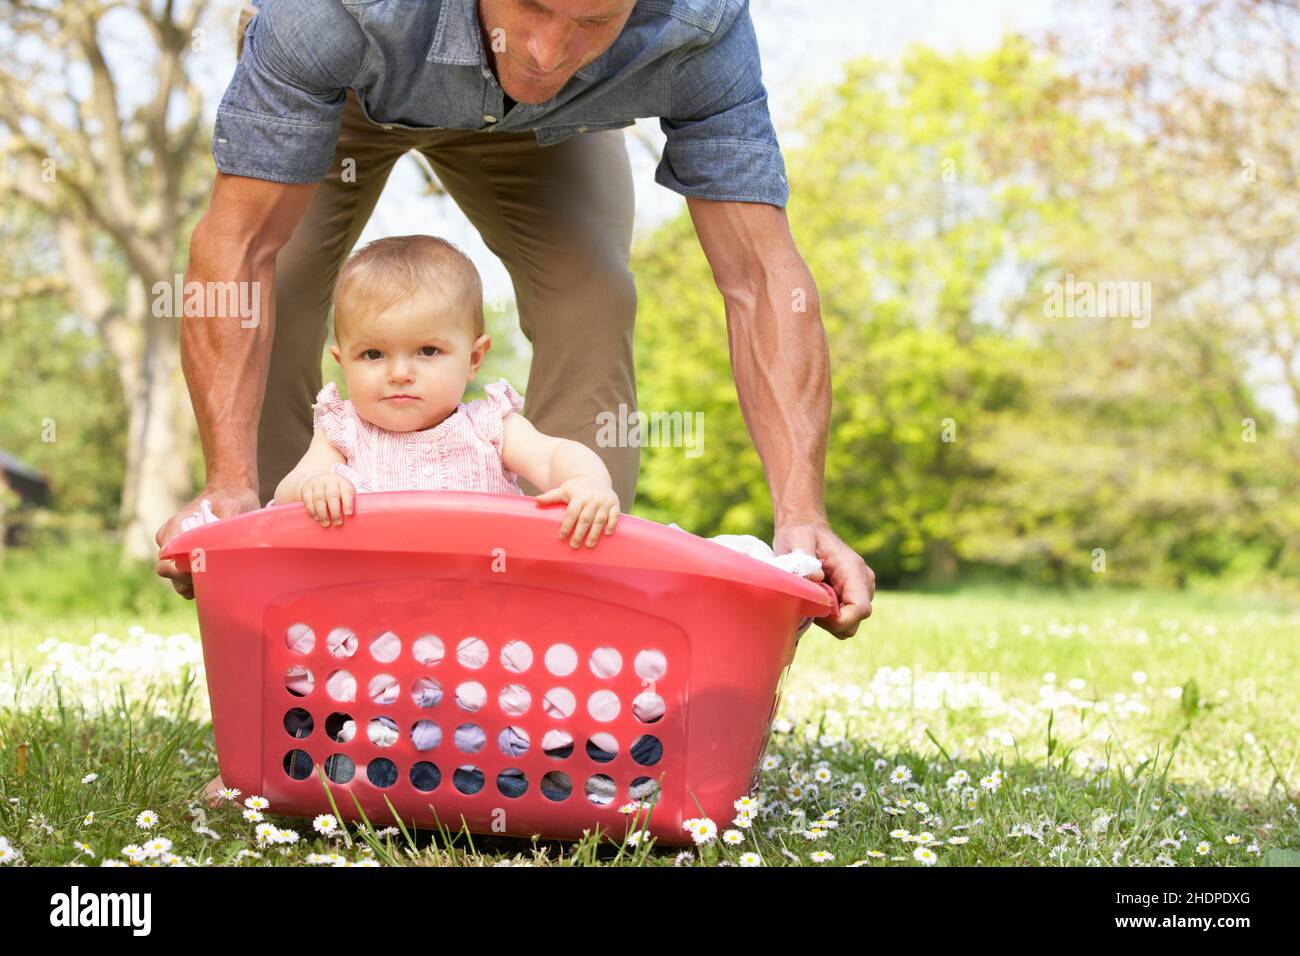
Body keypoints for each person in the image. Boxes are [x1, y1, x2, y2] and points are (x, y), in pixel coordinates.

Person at [154, 0, 875, 638]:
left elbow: (761, 276)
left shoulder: (699, 23)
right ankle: (292, 631)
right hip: (351, 90)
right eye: (531, 7)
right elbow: (237, 248)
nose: (544, 50)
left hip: (551, 123)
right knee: (279, 284)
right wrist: (225, 486)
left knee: (593, 292)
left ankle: (559, 635)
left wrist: (803, 518)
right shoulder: (336, 10)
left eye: (593, 20)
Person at [277, 233, 620, 547]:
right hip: (375, 595)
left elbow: (552, 456)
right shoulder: (343, 431)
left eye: (427, 351)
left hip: (483, 591)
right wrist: (312, 486)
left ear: (473, 358)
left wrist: (586, 480)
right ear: (343, 362)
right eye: (373, 354)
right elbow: (289, 490)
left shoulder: (490, 427)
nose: (399, 373)